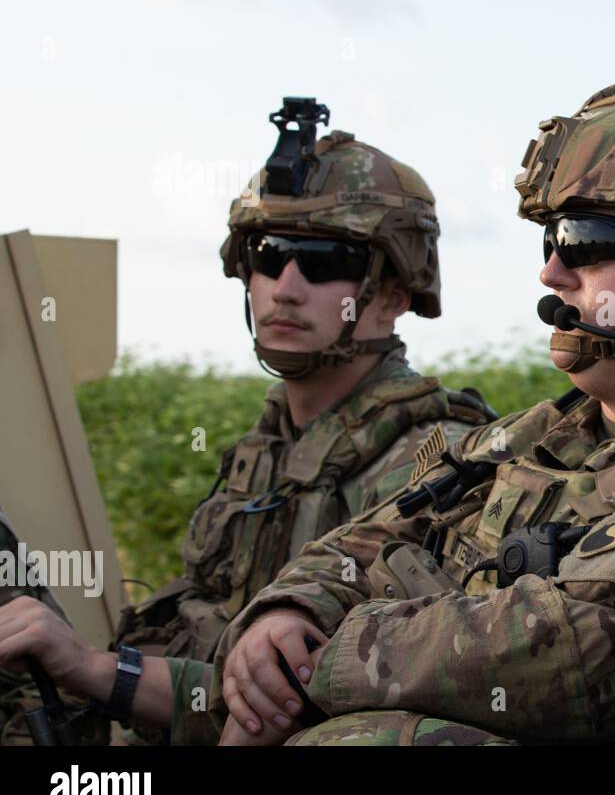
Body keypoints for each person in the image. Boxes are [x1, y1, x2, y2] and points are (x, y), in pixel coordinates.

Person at [214, 83, 615, 745]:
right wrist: (289, 609)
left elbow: (562, 653)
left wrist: (317, 664)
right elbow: (361, 545)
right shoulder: (532, 438)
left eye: (587, 241)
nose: (553, 273)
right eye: (550, 241)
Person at [0, 98, 493, 745]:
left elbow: (306, 703)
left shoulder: (433, 467)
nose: (285, 286)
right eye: (268, 254)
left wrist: (97, 670)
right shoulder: (268, 450)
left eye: (325, 263)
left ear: (394, 295)